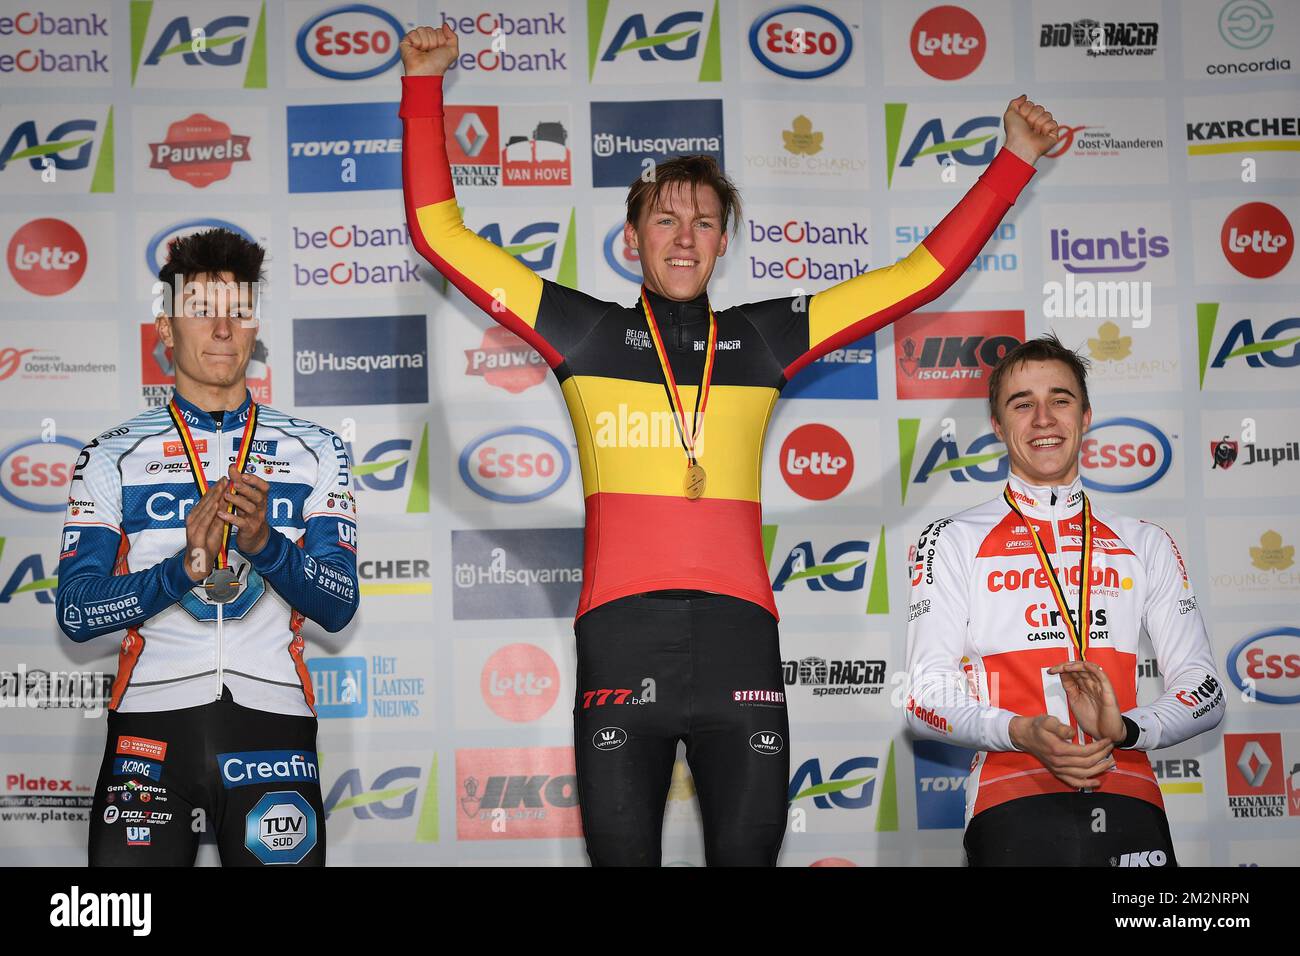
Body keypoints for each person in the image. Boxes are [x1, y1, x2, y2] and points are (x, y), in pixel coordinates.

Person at [399, 23, 1059, 866]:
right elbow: (440, 235)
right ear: (631, 238)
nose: (684, 237)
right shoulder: (585, 332)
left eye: (706, 223)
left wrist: (1012, 159)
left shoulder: (761, 339)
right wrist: (424, 87)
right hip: (619, 641)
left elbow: (919, 276)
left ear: (723, 242)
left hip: (740, 644)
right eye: (665, 219)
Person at [56, 228, 359, 866]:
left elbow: (338, 606)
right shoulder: (110, 455)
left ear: (254, 330)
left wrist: (265, 544)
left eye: (238, 312)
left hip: (271, 722)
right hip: (149, 727)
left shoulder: (318, 450)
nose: (221, 329)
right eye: (200, 311)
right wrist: (183, 570)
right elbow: (77, 613)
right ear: (166, 330)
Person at [904, 334, 1225, 866]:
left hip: (1128, 791)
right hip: (1010, 793)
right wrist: (1018, 731)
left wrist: (1127, 729)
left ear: (1087, 416)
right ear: (999, 426)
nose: (1043, 418)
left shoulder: (1144, 540)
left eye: (1060, 399)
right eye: (1022, 404)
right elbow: (922, 699)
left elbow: (1206, 689)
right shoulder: (953, 539)